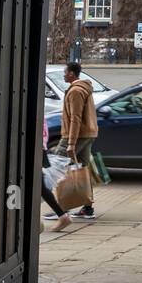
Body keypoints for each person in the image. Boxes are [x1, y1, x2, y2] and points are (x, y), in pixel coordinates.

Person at [53, 61, 97, 220]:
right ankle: (87, 208)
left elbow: (75, 119)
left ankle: (60, 210)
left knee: (55, 166)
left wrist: (71, 143)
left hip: (76, 136)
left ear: (71, 74)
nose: (64, 74)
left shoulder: (75, 92)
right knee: (84, 170)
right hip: (88, 134)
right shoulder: (84, 88)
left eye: (65, 72)